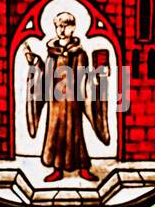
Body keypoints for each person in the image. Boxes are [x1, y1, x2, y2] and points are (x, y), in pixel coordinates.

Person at [24, 11, 110, 182]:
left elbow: (83, 77)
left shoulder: (79, 53)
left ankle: (83, 167)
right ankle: (57, 169)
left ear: (73, 28)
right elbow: (45, 75)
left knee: (75, 134)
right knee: (54, 133)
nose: (61, 30)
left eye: (65, 26)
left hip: (72, 102)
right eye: (58, 26)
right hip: (55, 103)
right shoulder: (52, 53)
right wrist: (34, 61)